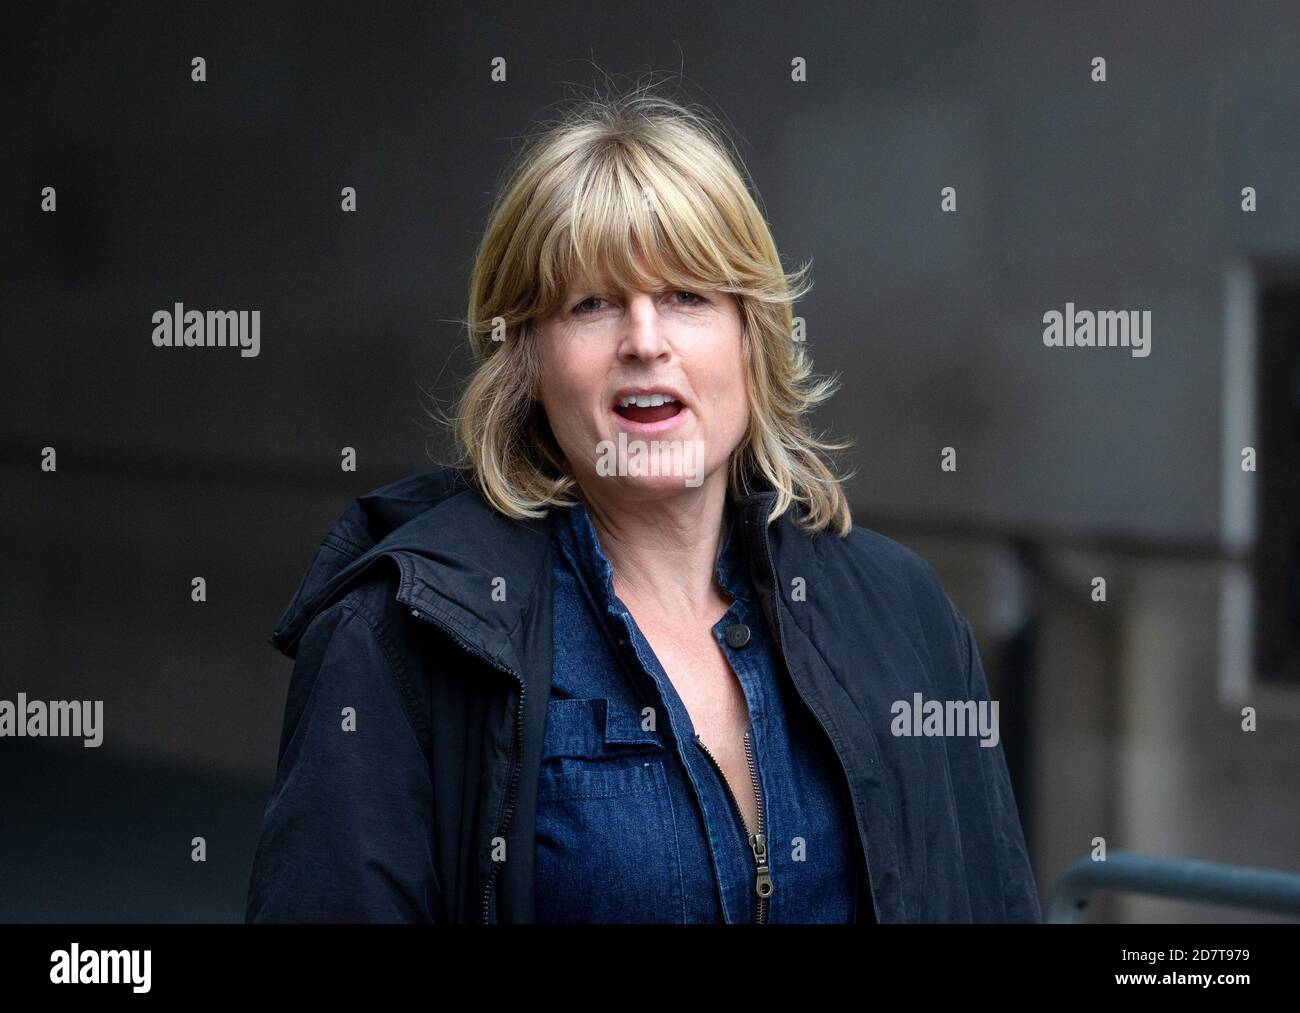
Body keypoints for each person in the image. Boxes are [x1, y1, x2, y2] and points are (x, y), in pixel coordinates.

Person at [244, 83, 1041, 924]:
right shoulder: (403, 637)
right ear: (528, 359)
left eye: (688, 295)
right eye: (591, 304)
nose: (646, 340)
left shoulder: (903, 612)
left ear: (751, 338)